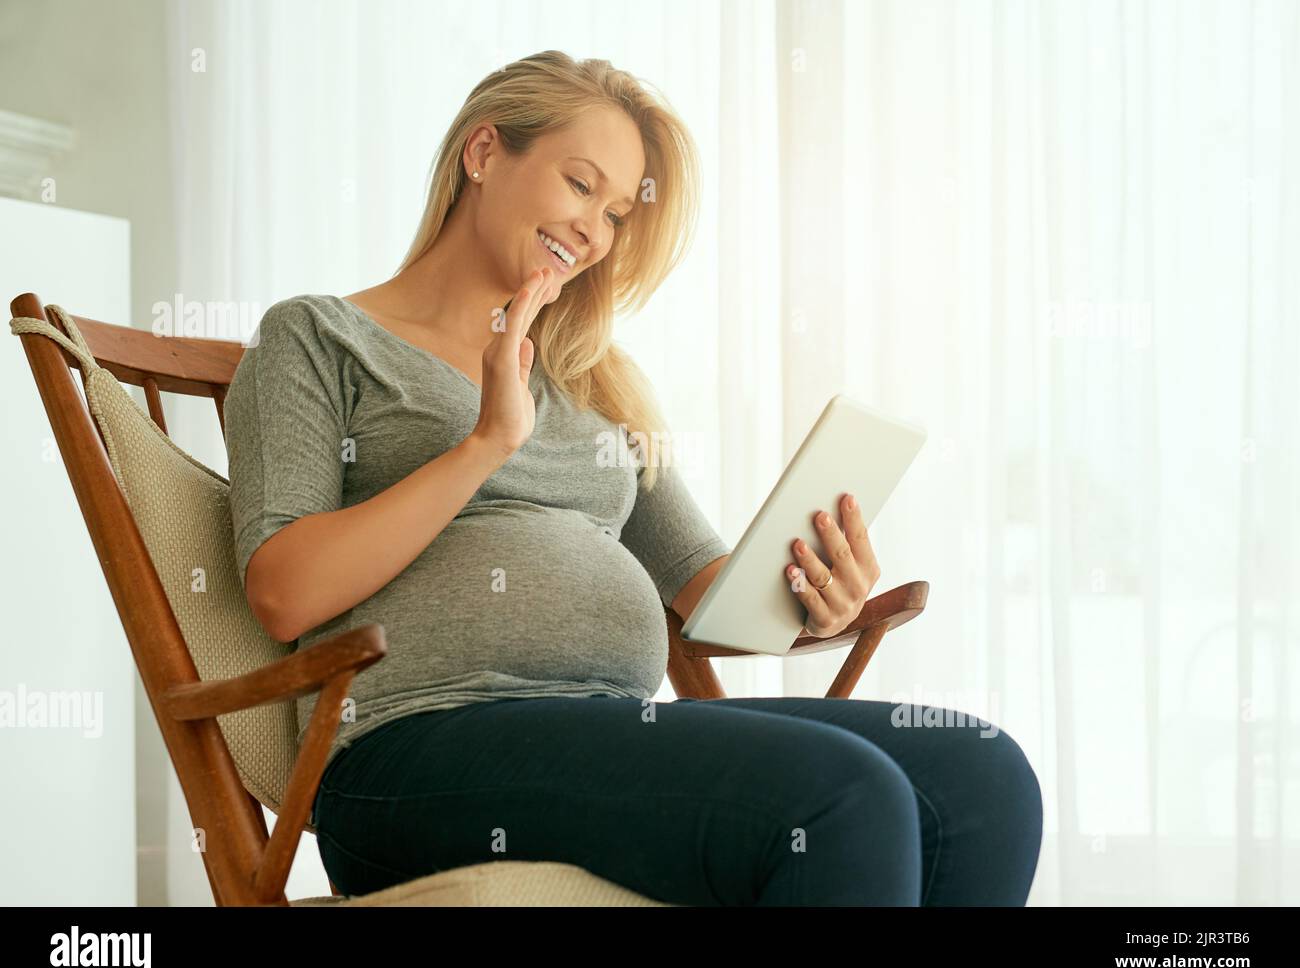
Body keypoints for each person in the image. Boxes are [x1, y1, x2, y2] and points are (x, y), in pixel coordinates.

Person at [224, 50, 1042, 906]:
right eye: (581, 185)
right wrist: (486, 443)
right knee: (841, 794)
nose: (595, 230)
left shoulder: (588, 378)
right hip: (415, 751)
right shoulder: (317, 339)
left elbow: (710, 589)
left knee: (980, 778)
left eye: (616, 212)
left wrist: (813, 593)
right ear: (483, 152)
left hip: (610, 729)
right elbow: (286, 591)